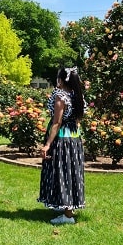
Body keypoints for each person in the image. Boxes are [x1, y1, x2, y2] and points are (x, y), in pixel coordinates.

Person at [38, 66, 86, 224]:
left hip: (62, 139)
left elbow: (57, 122)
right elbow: (78, 119)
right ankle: (66, 207)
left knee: (62, 173)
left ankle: (67, 216)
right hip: (74, 139)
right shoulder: (76, 95)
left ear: (61, 79)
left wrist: (47, 144)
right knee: (71, 173)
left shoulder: (61, 96)